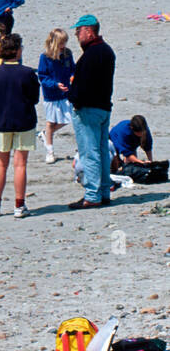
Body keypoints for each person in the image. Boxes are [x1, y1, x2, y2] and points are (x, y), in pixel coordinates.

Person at [67, 14, 116, 209]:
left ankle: (92, 195)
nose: (77, 35)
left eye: (78, 31)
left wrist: (73, 98)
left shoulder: (92, 54)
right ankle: (104, 192)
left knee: (90, 153)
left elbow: (85, 85)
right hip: (103, 107)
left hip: (88, 109)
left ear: (89, 30)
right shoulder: (106, 51)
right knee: (102, 151)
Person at [0, 33, 38, 219]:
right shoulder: (28, 73)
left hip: (1, 121)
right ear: (16, 50)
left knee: (1, 164)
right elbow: (35, 98)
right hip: (24, 121)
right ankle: (19, 205)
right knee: (20, 164)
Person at [37, 28, 75, 165]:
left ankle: (46, 134)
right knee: (50, 122)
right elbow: (42, 76)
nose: (63, 45)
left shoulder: (67, 54)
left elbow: (72, 69)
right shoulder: (45, 57)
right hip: (51, 94)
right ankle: (50, 151)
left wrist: (72, 78)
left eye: (65, 42)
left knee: (68, 118)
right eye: (61, 43)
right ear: (53, 42)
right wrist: (55, 84)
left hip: (66, 92)